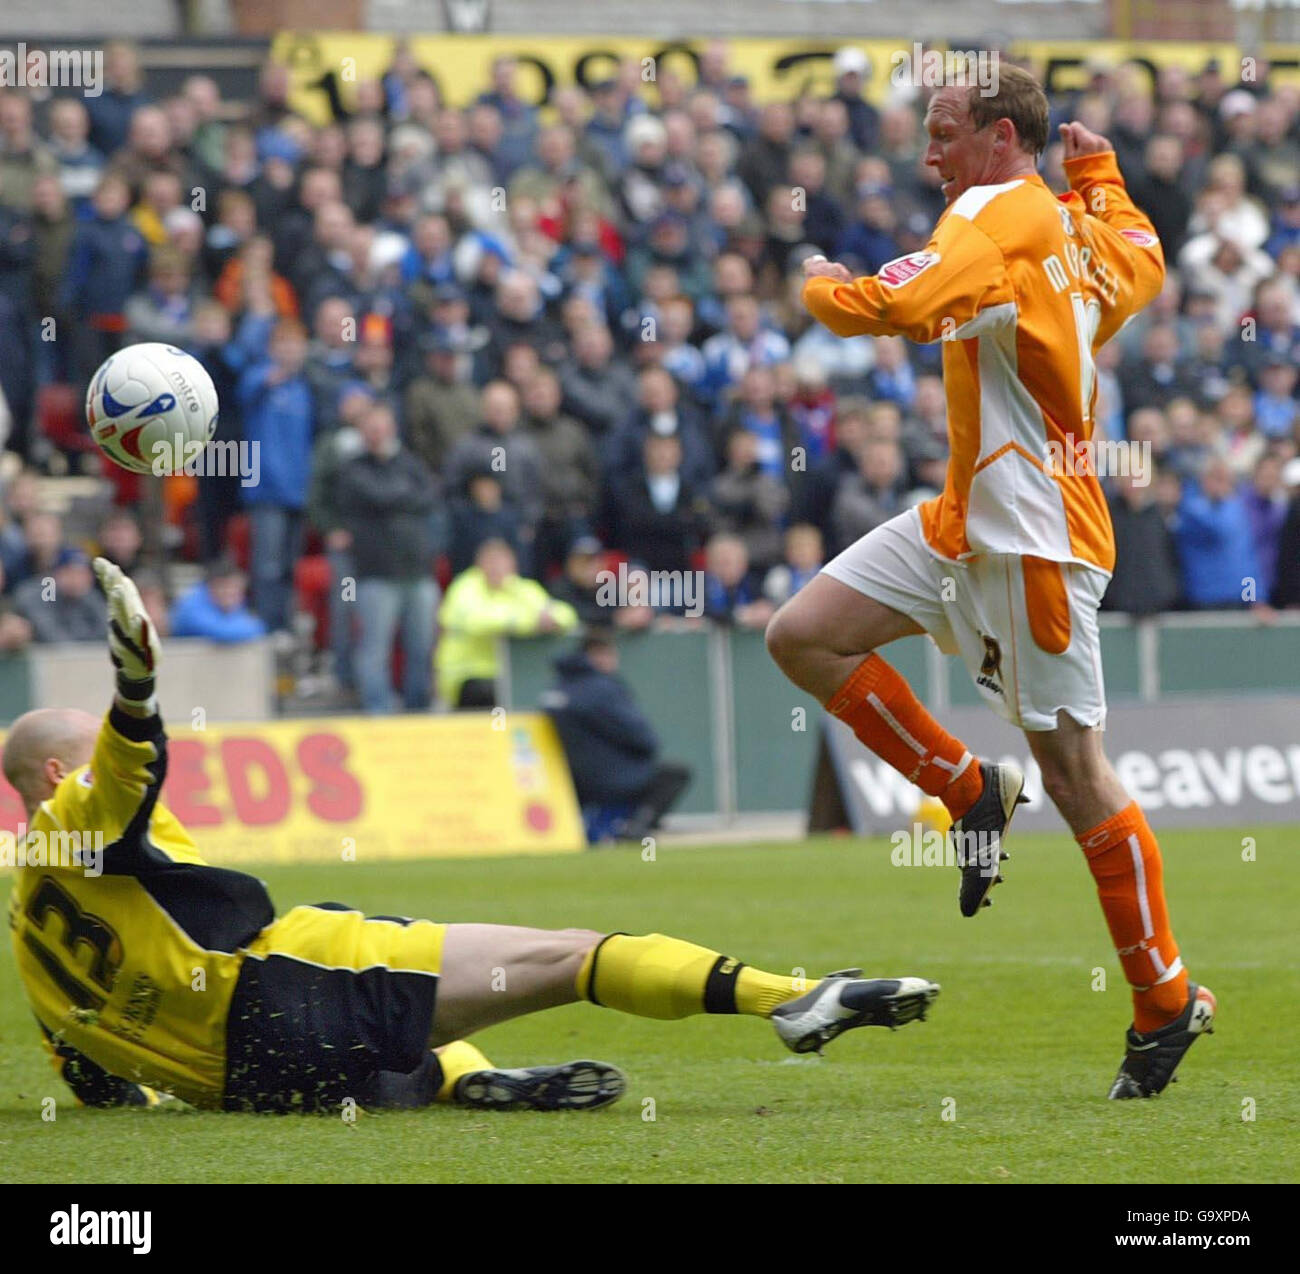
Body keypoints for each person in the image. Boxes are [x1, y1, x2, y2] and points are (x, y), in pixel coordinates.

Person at [4, 559, 940, 1113]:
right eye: (78, 747)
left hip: (252, 1080)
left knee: (401, 1028)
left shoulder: (27, 927)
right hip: (280, 988)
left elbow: (88, 1076)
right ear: (54, 776)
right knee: (565, 955)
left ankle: (461, 1082)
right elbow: (130, 771)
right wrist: (135, 690)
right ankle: (790, 997)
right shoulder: (74, 812)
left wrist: (156, 1095)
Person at [765, 69, 1215, 1100]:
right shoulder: (1074, 223)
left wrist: (814, 283)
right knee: (803, 634)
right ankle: (969, 790)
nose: (927, 156)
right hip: (964, 514)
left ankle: (1163, 995)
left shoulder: (986, 211)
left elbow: (893, 300)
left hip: (1034, 535)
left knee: (1077, 773)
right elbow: (1141, 257)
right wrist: (1098, 173)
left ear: (1000, 136)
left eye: (941, 134)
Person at [542, 632, 693, 843]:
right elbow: (641, 737)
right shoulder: (602, 689)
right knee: (675, 773)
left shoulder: (556, 689)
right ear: (597, 655)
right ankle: (636, 827)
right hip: (605, 778)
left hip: (565, 777)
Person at [436, 538, 579, 708]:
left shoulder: (524, 588)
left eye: (501, 561)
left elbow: (567, 614)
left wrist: (554, 620)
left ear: (512, 564)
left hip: (515, 673)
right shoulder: (465, 587)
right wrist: (529, 622)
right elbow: (476, 622)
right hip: (469, 676)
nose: (496, 567)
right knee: (494, 692)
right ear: (479, 564)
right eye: (490, 561)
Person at [169, 559, 267, 644]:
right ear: (213, 586)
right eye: (228, 588)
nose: (233, 594)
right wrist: (253, 626)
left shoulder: (230, 604)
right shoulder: (191, 605)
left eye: (238, 590)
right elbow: (224, 632)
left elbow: (257, 627)